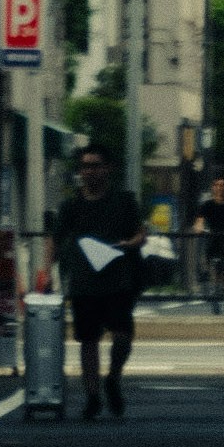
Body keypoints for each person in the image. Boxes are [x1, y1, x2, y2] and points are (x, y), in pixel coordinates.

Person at [52, 142, 148, 419]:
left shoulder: (124, 201)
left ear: (108, 168)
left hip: (118, 277)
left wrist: (128, 244)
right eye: (85, 166)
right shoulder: (71, 206)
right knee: (88, 339)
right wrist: (47, 273)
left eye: (95, 165)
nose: (89, 171)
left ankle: (113, 377)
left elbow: (140, 233)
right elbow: (55, 239)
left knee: (122, 335)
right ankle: (92, 395)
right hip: (84, 280)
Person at [193, 166, 224, 308]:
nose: (220, 188)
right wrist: (199, 228)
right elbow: (199, 221)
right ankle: (215, 289)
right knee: (213, 265)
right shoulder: (206, 205)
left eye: (223, 185)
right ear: (212, 187)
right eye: (216, 185)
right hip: (213, 237)